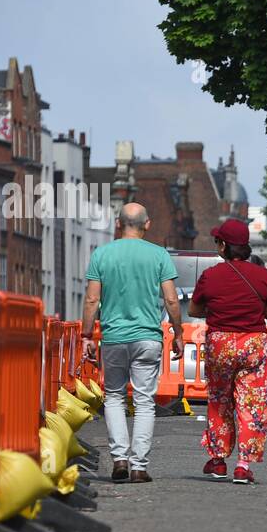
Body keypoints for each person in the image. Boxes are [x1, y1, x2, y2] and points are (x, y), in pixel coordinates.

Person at [81, 202, 182, 484]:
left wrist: (87, 335)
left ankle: (120, 459)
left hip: (113, 338)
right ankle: (139, 466)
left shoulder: (101, 254)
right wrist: (179, 333)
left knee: (113, 397)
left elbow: (91, 299)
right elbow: (171, 299)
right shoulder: (159, 255)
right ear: (147, 224)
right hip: (148, 337)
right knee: (145, 401)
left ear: (118, 223)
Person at [188, 218, 267, 485]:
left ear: (224, 246)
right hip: (252, 342)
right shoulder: (261, 275)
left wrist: (220, 310)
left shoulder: (210, 276)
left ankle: (218, 460)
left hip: (220, 344)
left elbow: (194, 310)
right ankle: (243, 465)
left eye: (218, 241)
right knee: (251, 403)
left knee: (219, 399)